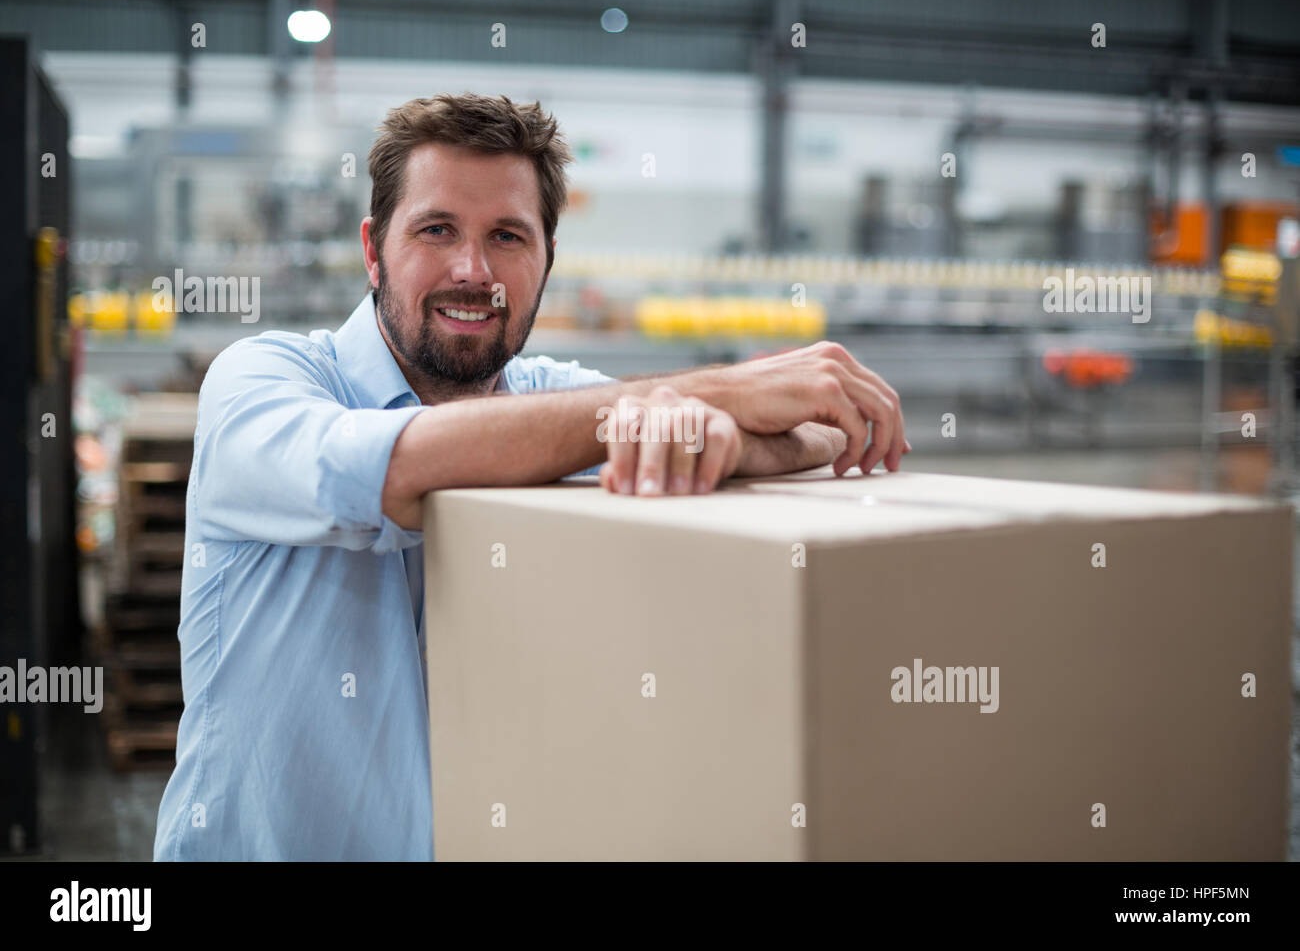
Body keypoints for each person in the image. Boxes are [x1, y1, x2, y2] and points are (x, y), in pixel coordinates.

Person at [153, 93, 909, 860]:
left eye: (508, 236)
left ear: (548, 258)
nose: (473, 271)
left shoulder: (551, 401)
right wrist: (705, 393)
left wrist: (713, 432)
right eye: (436, 229)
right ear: (374, 249)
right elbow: (392, 470)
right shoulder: (264, 382)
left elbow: (801, 430)